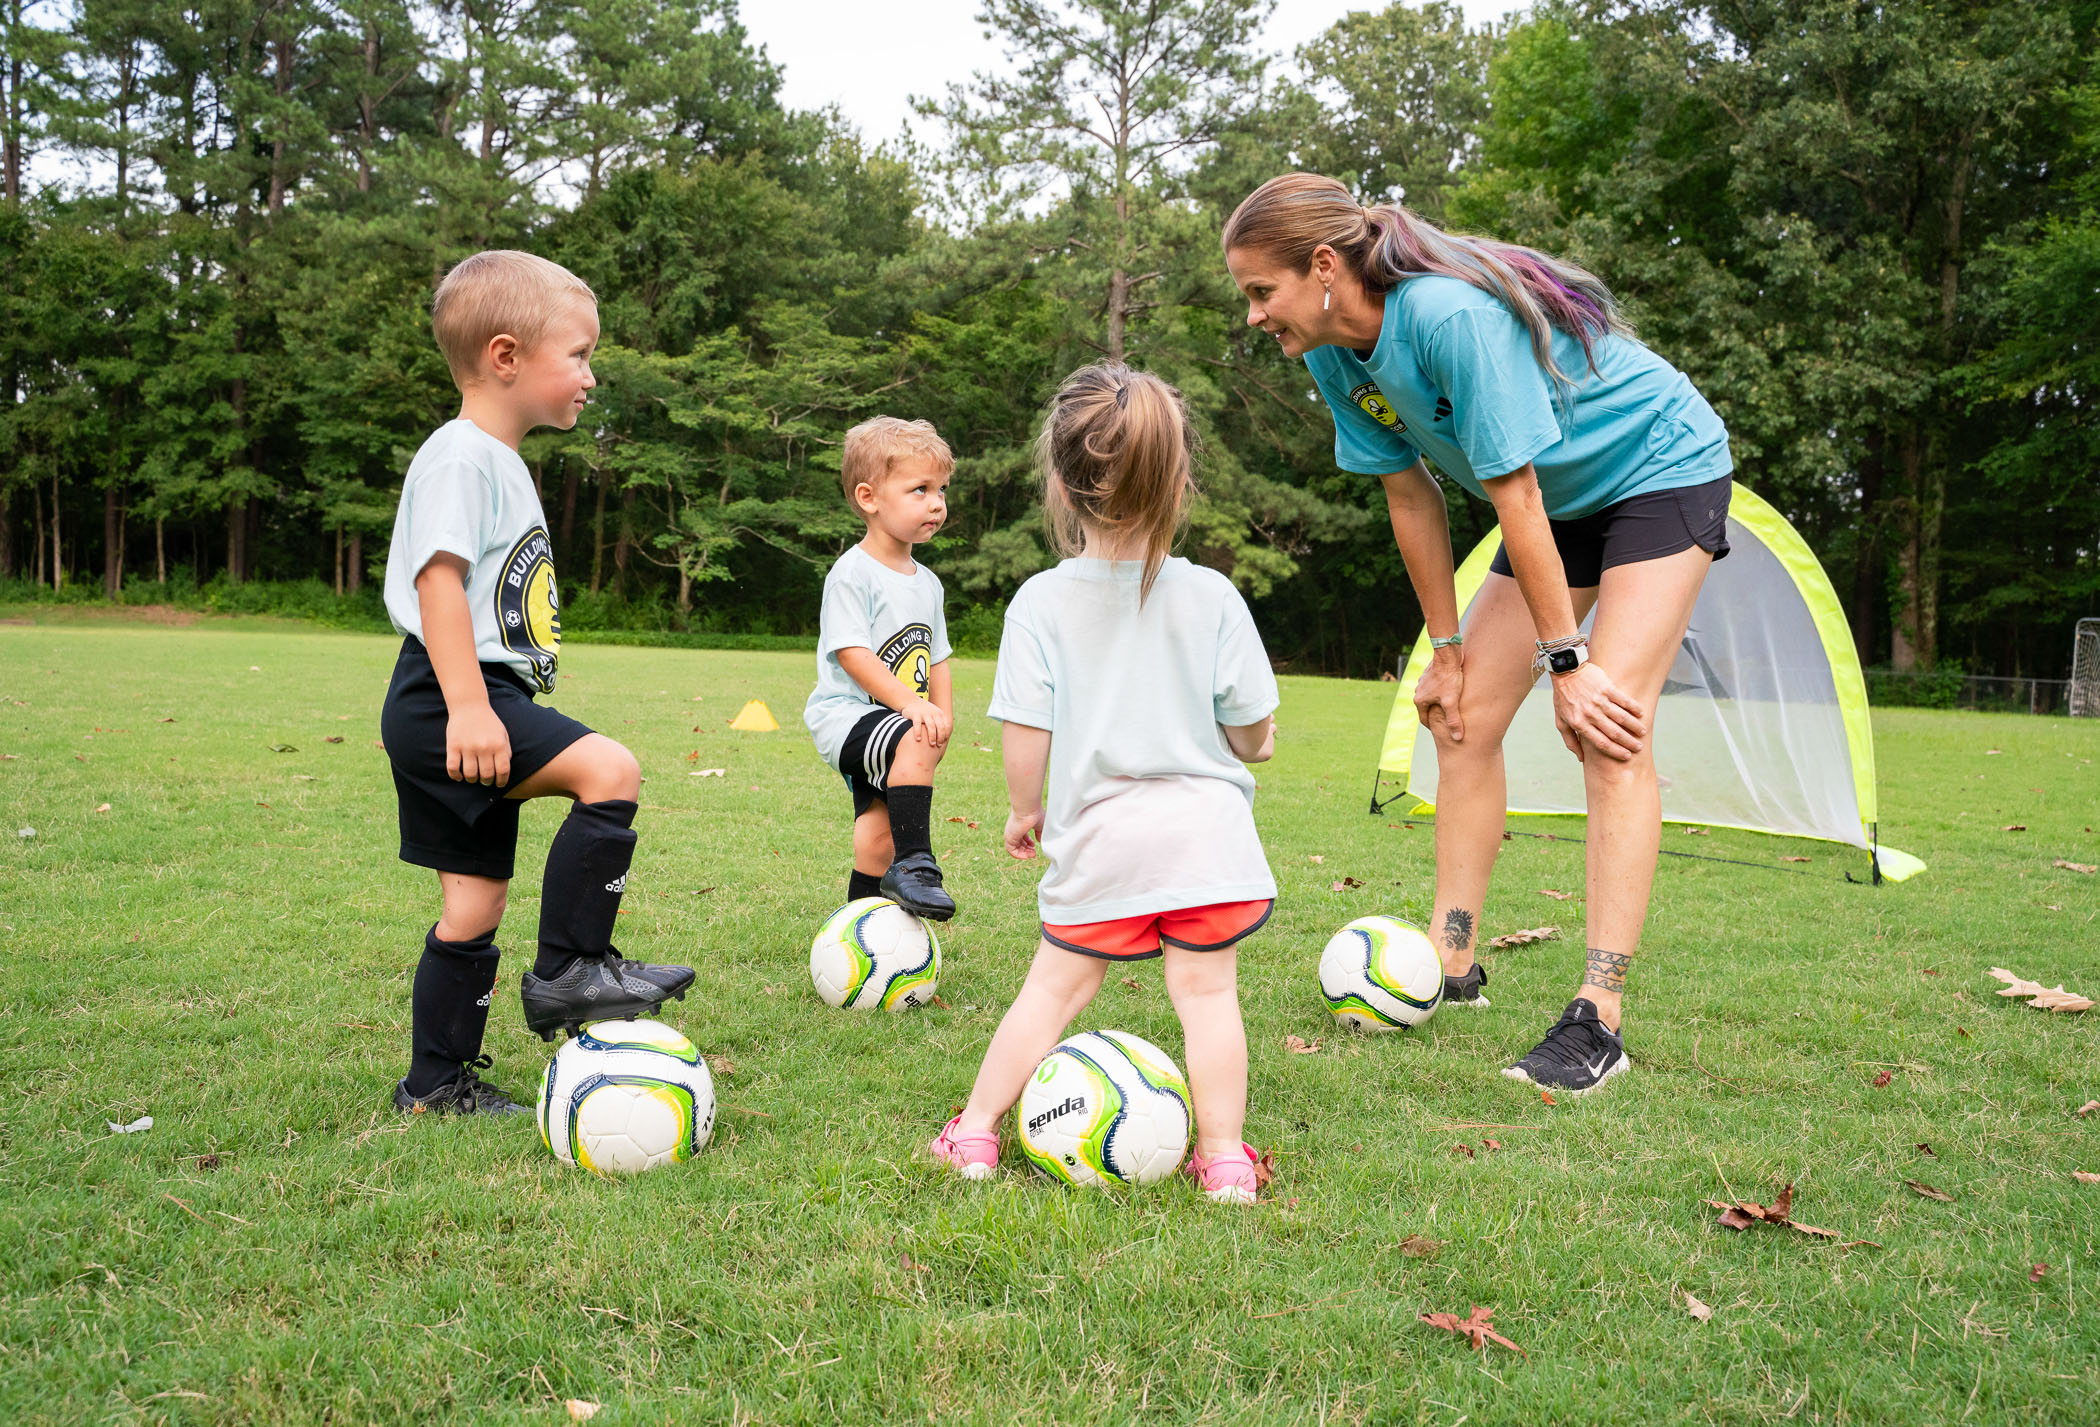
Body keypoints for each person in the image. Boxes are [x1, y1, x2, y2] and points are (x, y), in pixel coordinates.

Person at [1223, 173, 1735, 1096]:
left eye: (1263, 291)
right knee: (1458, 717)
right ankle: (1449, 961)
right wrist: (1447, 651)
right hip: (1558, 504)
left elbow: (1515, 493)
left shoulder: (1445, 318)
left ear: (1325, 266)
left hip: (1656, 467)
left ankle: (1598, 1016)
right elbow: (1409, 494)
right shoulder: (1331, 353)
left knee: (1607, 726)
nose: (1255, 315)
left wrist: (1569, 665)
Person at [927, 364, 1280, 1204]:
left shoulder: (1040, 602)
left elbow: (1026, 733)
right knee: (1209, 995)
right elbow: (1252, 731)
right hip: (1209, 844)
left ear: (1060, 483)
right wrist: (1254, 742)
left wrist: (1025, 809)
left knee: (1051, 990)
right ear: (1178, 482)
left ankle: (975, 1130)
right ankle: (1224, 1158)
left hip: (1102, 841)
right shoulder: (1214, 594)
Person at [379, 250, 692, 1117]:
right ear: (506, 357)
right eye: (580, 354)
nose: (591, 375)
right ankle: (571, 969)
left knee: (473, 907)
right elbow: (438, 583)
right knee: (610, 770)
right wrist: (470, 707)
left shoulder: (498, 459)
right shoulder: (462, 456)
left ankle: (433, 1085)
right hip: (453, 695)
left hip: (466, 696)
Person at [803, 417, 959, 921]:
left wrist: (941, 717)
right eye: (920, 489)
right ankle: (916, 865)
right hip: (846, 715)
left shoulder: (928, 583)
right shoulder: (854, 573)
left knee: (876, 837)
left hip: (897, 724)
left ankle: (859, 929)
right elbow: (853, 653)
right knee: (909, 748)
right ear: (869, 498)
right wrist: (914, 708)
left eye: (941, 490)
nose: (936, 503)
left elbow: (938, 656)